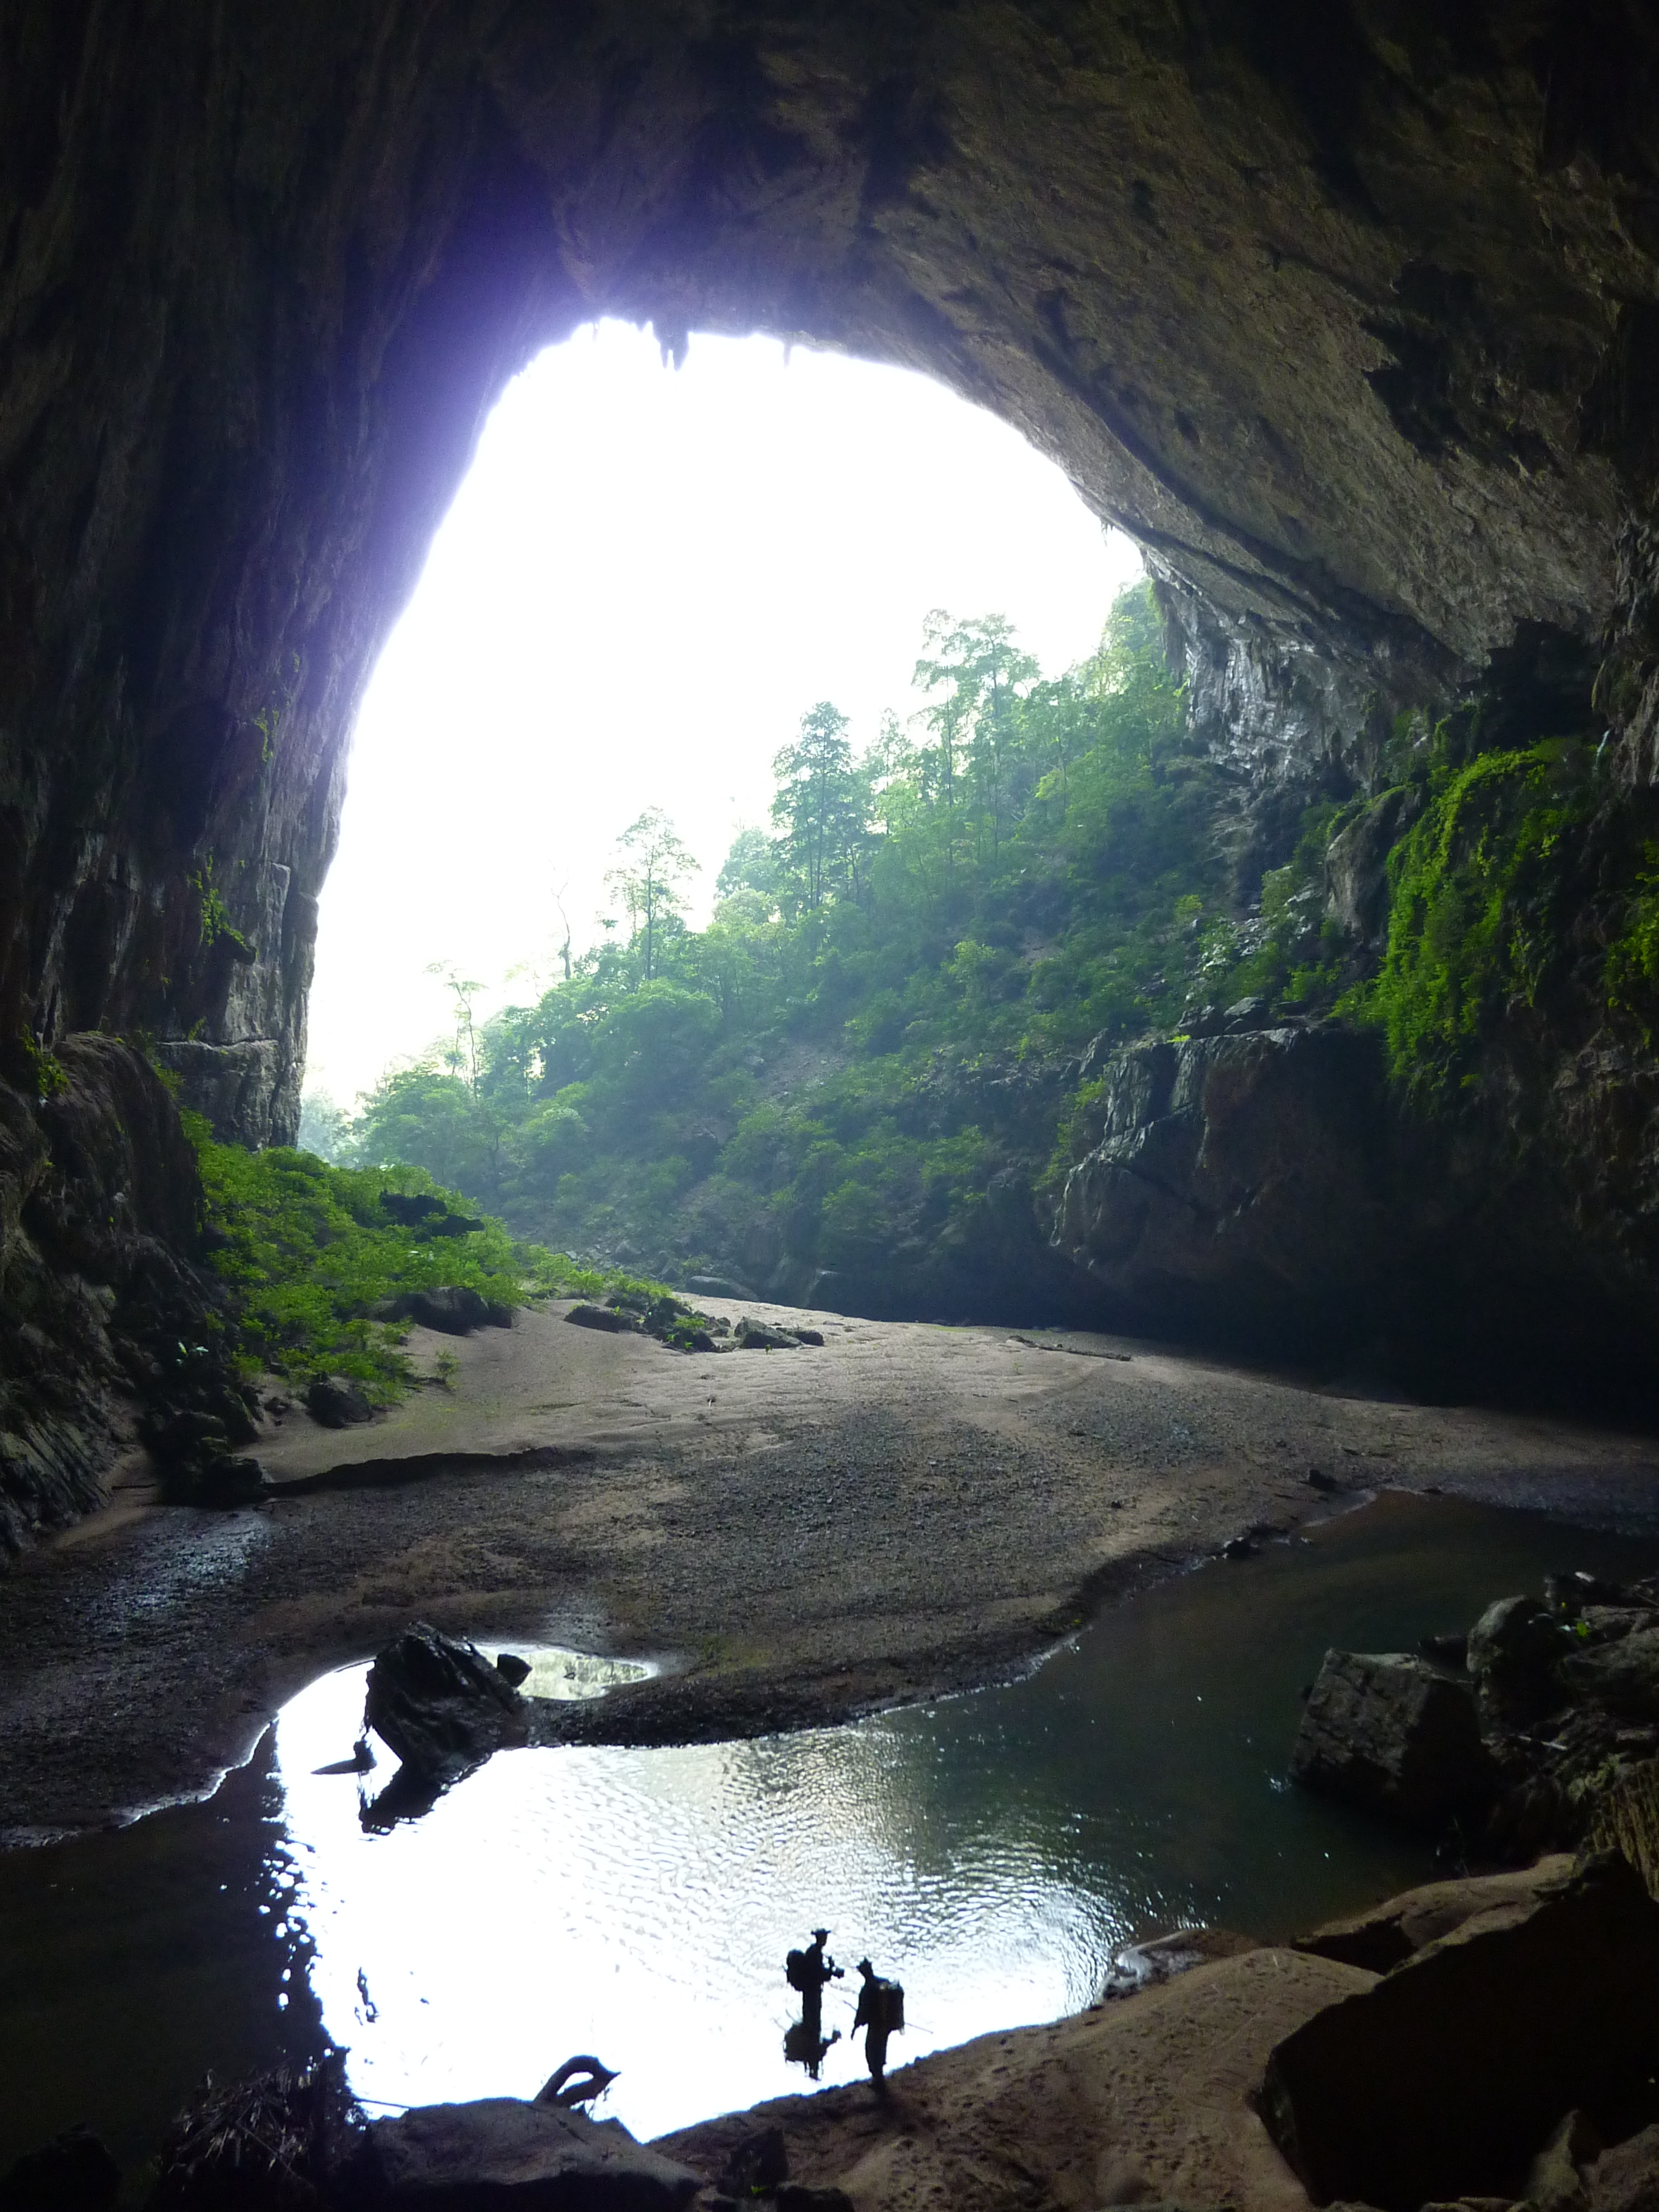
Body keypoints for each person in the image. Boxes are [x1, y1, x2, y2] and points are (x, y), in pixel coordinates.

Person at [852, 1957, 903, 2092]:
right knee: (881, 2049)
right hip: (886, 2025)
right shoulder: (883, 1982)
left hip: (876, 2026)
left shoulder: (866, 1990)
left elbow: (861, 2012)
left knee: (871, 2050)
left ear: (863, 1973)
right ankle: (879, 2078)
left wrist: (855, 2027)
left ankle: (878, 2079)